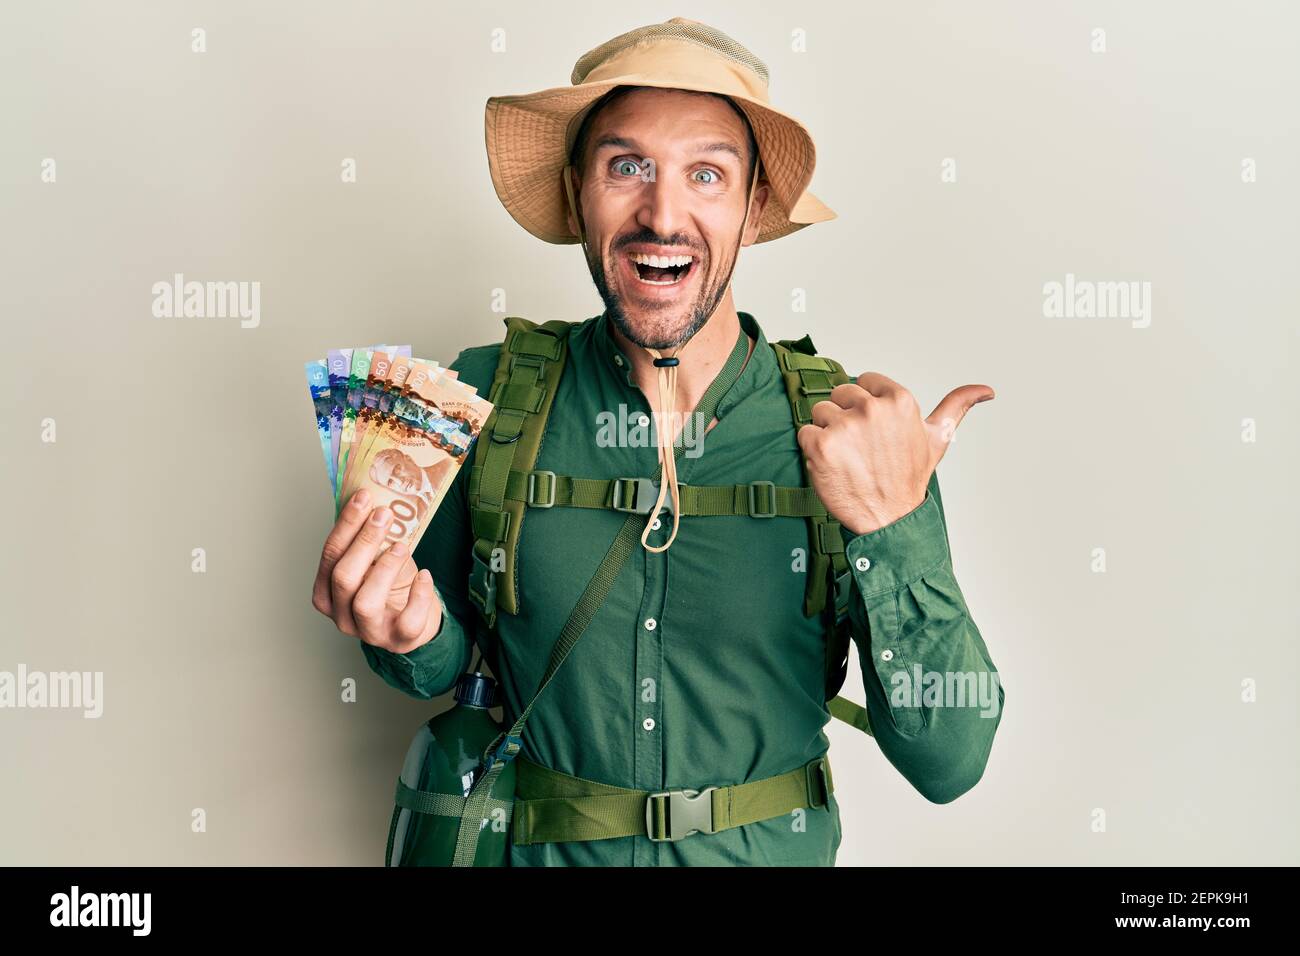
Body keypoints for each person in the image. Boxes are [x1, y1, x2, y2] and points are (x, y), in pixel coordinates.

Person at [312, 17, 1004, 866]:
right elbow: (447, 661)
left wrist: (893, 530)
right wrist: (412, 639)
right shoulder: (488, 392)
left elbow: (951, 763)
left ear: (753, 211)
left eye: (706, 173)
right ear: (577, 194)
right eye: (625, 167)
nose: (662, 213)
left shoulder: (859, 435)